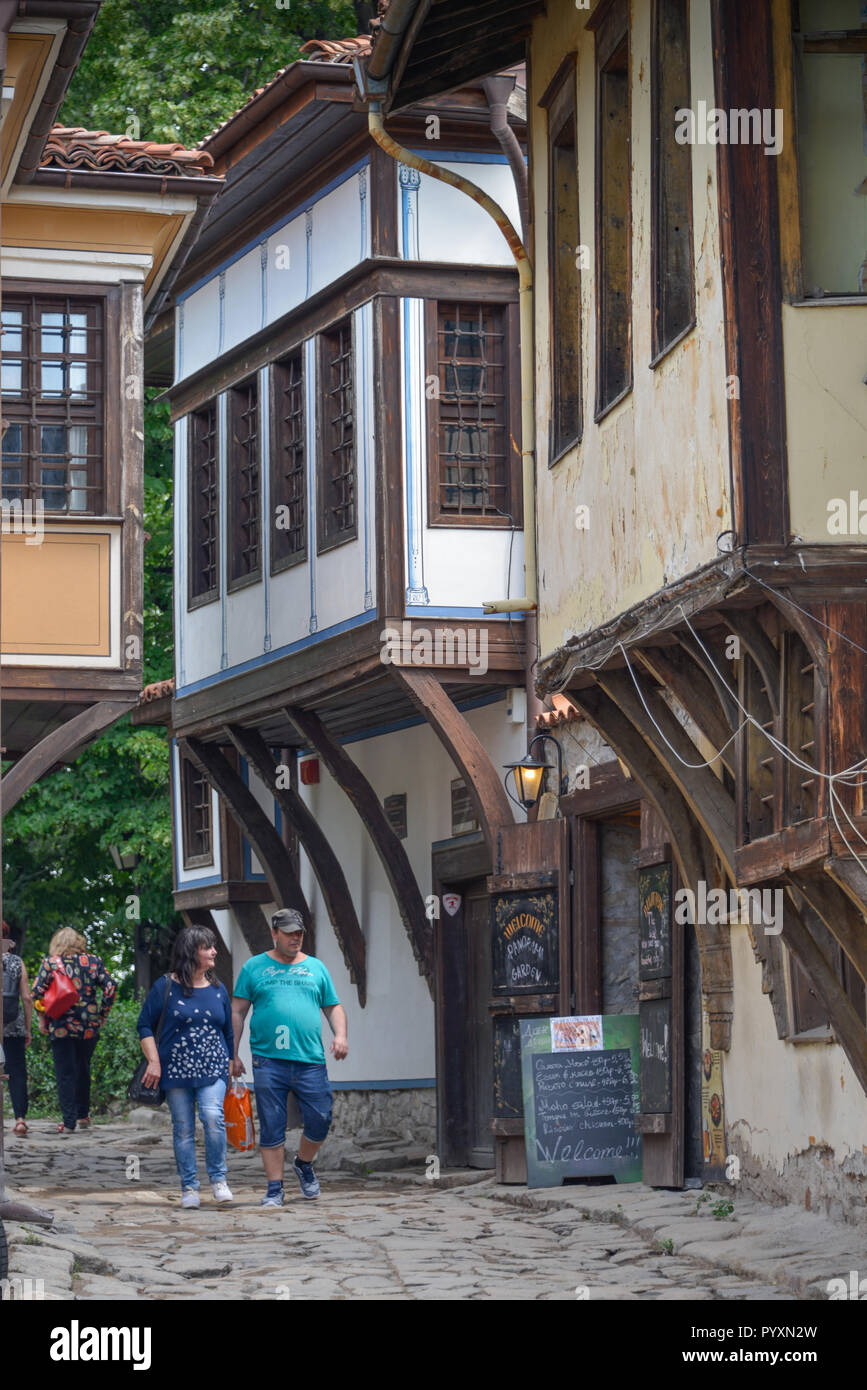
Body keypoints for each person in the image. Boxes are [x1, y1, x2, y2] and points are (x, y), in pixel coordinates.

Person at [231, 907, 348, 1208]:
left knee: (321, 1118)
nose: (296, 938)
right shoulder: (254, 968)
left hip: (310, 1059)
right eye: (289, 933)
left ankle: (304, 1164)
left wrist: (340, 1035)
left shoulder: (316, 968)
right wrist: (232, 1054)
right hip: (268, 1060)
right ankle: (274, 1188)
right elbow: (237, 1011)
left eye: (299, 933)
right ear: (274, 934)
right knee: (272, 1124)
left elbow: (332, 1006)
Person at [137, 925, 234, 1209]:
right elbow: (144, 1024)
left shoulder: (218, 989)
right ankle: (189, 1186)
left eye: (214, 946)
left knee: (213, 1117)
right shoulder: (165, 986)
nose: (214, 951)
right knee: (183, 1128)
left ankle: (218, 1179)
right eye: (208, 947)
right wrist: (154, 1061)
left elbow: (227, 1031)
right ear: (192, 952)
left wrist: (230, 1064)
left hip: (212, 1067)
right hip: (175, 1070)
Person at [31, 929, 117, 1134]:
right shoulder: (94, 961)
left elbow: (36, 994)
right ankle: (83, 1115)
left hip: (61, 1026)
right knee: (83, 1069)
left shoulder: (51, 963)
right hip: (89, 1026)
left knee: (65, 1073)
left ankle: (69, 1122)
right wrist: (103, 1014)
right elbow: (111, 987)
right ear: (79, 942)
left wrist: (42, 1018)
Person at [2, 922, 33, 1137]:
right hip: (13, 1024)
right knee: (17, 1072)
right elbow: (27, 998)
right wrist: (29, 1029)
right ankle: (20, 1120)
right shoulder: (16, 962)